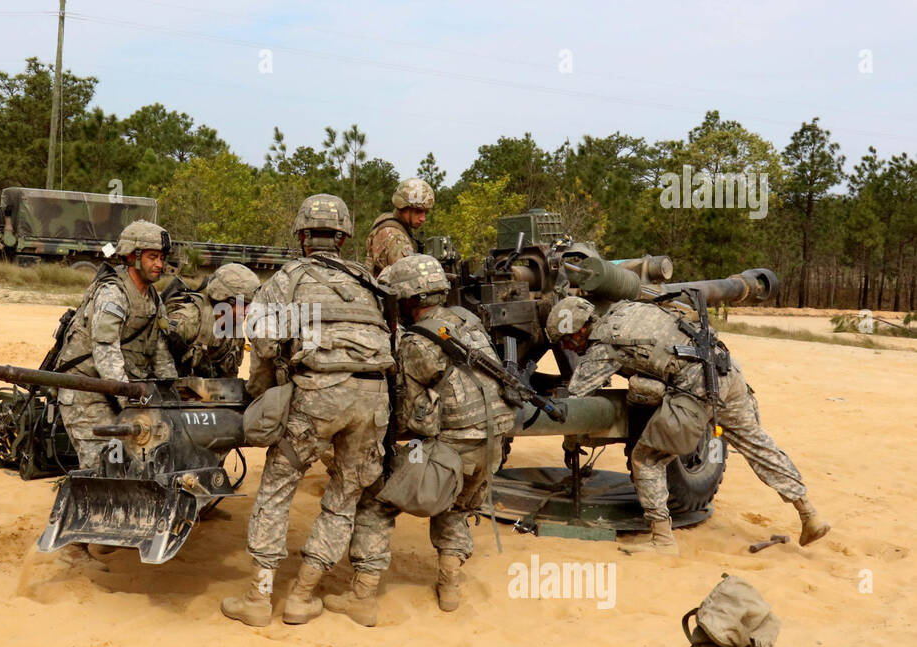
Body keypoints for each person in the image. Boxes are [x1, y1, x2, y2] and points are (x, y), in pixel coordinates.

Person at [221, 194, 394, 627]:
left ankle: (259, 599)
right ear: (342, 236)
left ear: (302, 236)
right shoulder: (368, 281)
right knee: (346, 493)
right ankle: (302, 595)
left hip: (319, 393)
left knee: (278, 485)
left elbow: (262, 344)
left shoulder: (290, 277)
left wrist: (262, 395)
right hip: (374, 397)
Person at [546, 295, 832, 555]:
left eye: (566, 340)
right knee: (757, 444)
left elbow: (575, 400)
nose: (569, 347)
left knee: (647, 459)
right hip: (725, 368)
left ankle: (662, 540)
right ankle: (809, 514)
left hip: (696, 387)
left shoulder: (603, 346)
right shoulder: (626, 308)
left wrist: (571, 441)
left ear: (580, 329)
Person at [334, 255, 515, 624]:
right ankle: (449, 586)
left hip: (449, 446)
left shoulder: (416, 341)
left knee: (378, 497)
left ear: (409, 299)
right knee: (456, 506)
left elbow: (405, 413)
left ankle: (363, 595)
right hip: (493, 440)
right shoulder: (468, 323)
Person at [51, 220, 178, 469]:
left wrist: (171, 397)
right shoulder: (113, 293)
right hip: (86, 390)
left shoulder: (153, 300)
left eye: (162, 258)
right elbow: (106, 353)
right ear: (133, 257)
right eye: (153, 257)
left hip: (122, 390)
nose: (159, 265)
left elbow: (160, 353)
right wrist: (131, 405)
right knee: (104, 463)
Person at [163, 263, 260, 377]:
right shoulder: (188, 320)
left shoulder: (234, 335)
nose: (247, 311)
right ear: (226, 300)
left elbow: (229, 381)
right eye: (243, 305)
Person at [365, 177, 434, 276]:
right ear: (403, 206)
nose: (423, 218)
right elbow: (409, 278)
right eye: (418, 211)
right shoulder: (394, 237)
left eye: (425, 212)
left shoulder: (388, 221)